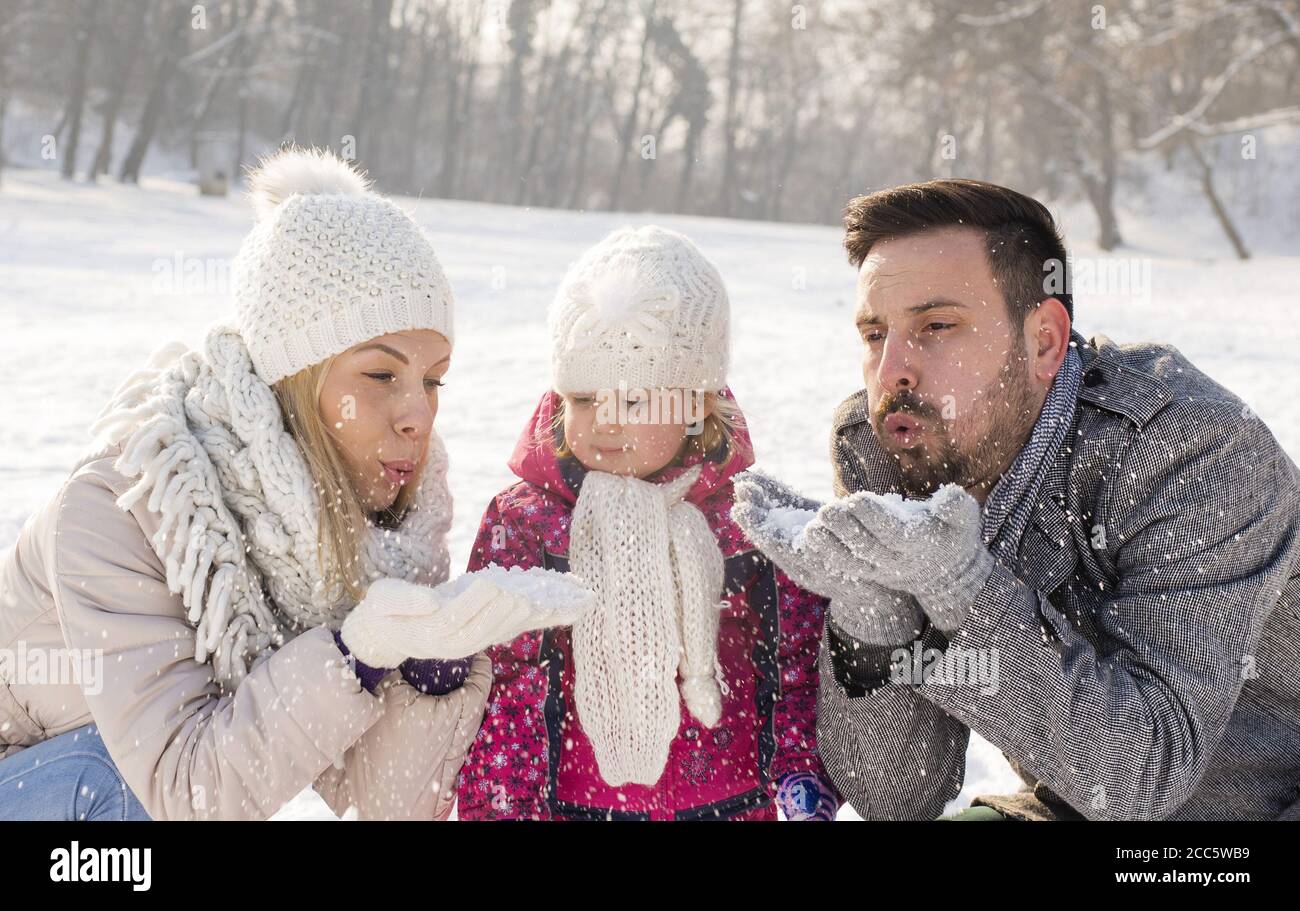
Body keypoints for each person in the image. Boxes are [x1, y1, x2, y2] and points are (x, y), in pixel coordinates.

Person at [0, 147, 577, 820]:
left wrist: (428, 667)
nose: (419, 414)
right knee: (118, 780)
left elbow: (377, 801)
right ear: (291, 380)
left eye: (433, 378)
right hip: (48, 784)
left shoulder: (390, 529)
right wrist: (353, 655)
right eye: (381, 375)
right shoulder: (126, 505)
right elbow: (188, 790)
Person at [732, 178, 1300, 821]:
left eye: (937, 326)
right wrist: (869, 601)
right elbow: (898, 796)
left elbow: (1141, 781)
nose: (891, 372)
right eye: (873, 334)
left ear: (1044, 343)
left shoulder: (1190, 447)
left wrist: (959, 584)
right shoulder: (887, 442)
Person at [455, 226, 840, 820]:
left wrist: (799, 770)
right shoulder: (528, 522)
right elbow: (506, 683)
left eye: (633, 400)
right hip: (573, 807)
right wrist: (503, 804)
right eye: (582, 400)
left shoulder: (748, 523)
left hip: (730, 803)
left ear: (697, 405)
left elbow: (792, 664)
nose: (604, 423)